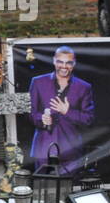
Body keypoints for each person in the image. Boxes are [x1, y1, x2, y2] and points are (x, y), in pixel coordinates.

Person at [29, 45, 95, 176]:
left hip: (71, 149)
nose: (64, 66)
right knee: (43, 189)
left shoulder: (84, 87)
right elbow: (30, 112)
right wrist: (41, 119)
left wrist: (67, 111)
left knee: (67, 190)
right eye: (60, 62)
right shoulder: (37, 82)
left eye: (68, 63)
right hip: (43, 149)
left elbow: (89, 119)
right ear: (54, 61)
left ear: (74, 63)